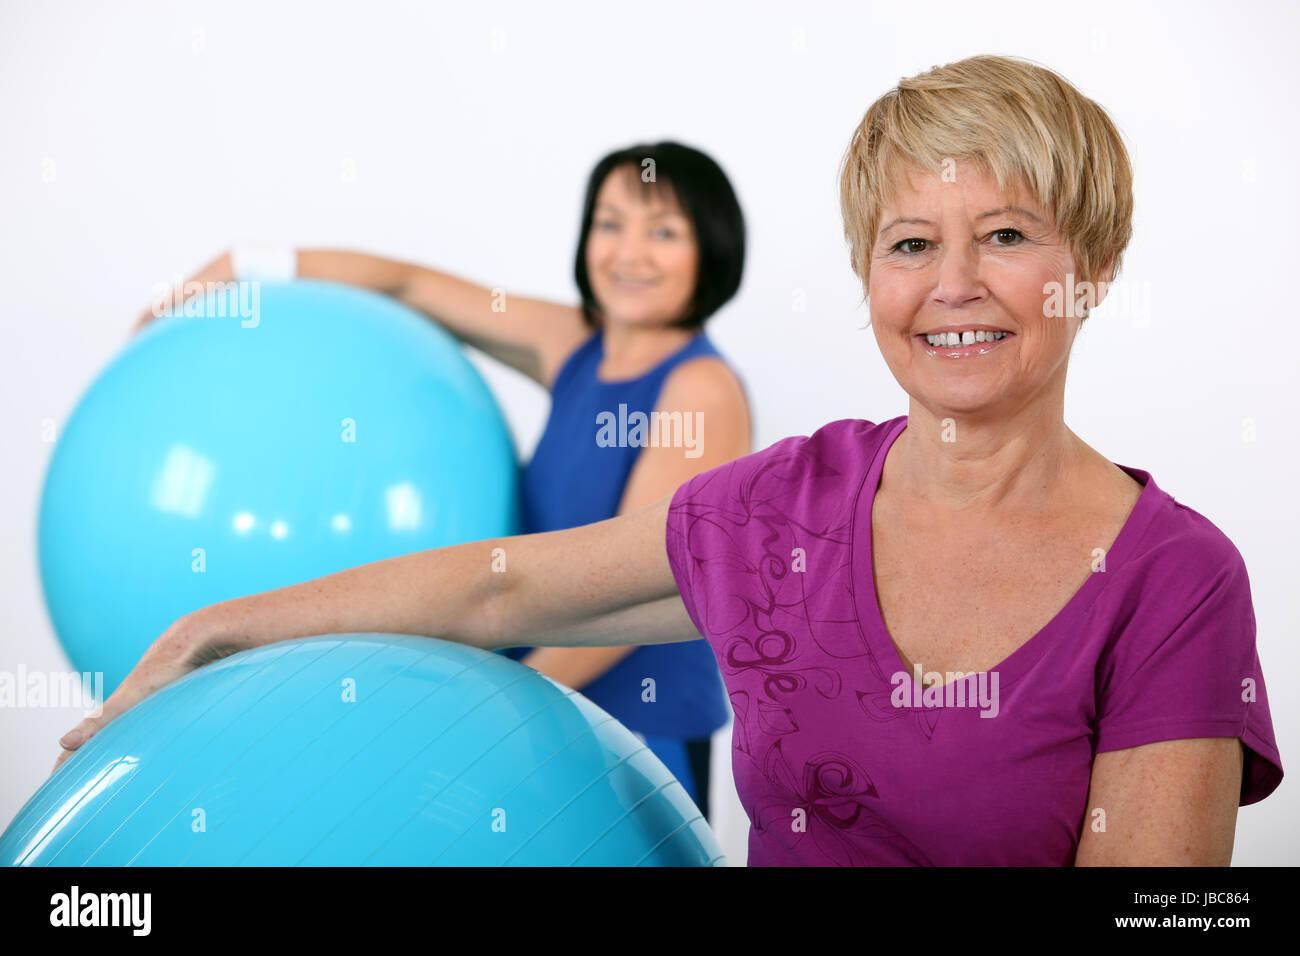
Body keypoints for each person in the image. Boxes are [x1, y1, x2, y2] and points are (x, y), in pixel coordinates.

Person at [66, 55, 1283, 865]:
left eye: (1006, 236)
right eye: (912, 241)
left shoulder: (1175, 578)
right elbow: (499, 582)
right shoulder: (777, 508)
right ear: (869, 273)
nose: (952, 284)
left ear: (1094, 264)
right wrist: (210, 633)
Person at [128, 141, 752, 818]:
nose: (629, 253)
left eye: (663, 231)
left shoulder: (700, 388)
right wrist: (242, 264)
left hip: (632, 729)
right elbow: (411, 287)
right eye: (610, 223)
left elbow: (634, 591)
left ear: (711, 248)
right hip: (533, 706)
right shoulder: (574, 341)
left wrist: (497, 708)